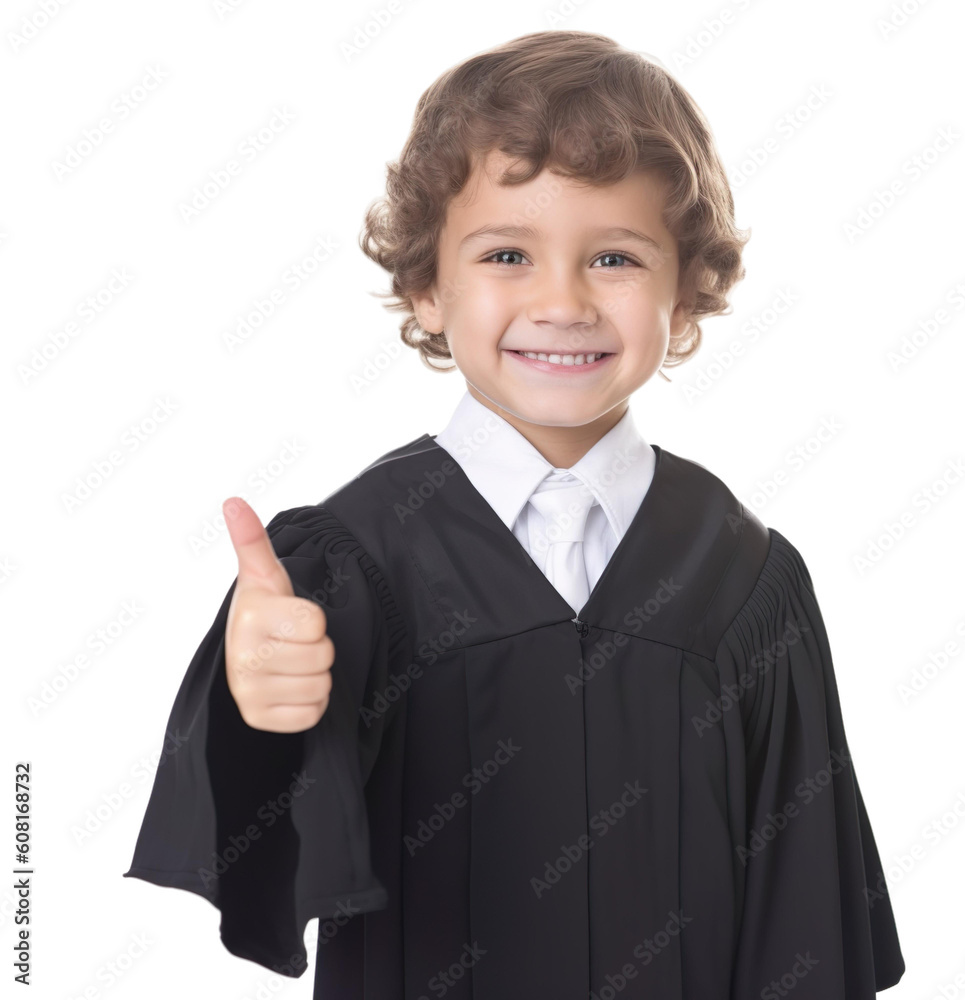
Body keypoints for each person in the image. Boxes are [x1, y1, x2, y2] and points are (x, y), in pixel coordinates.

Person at [123, 29, 906, 999]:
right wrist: (259, 711)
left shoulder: (745, 577)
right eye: (506, 253)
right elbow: (278, 851)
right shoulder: (351, 562)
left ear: (686, 296)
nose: (562, 301)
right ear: (426, 287)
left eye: (614, 257)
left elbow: (808, 911)